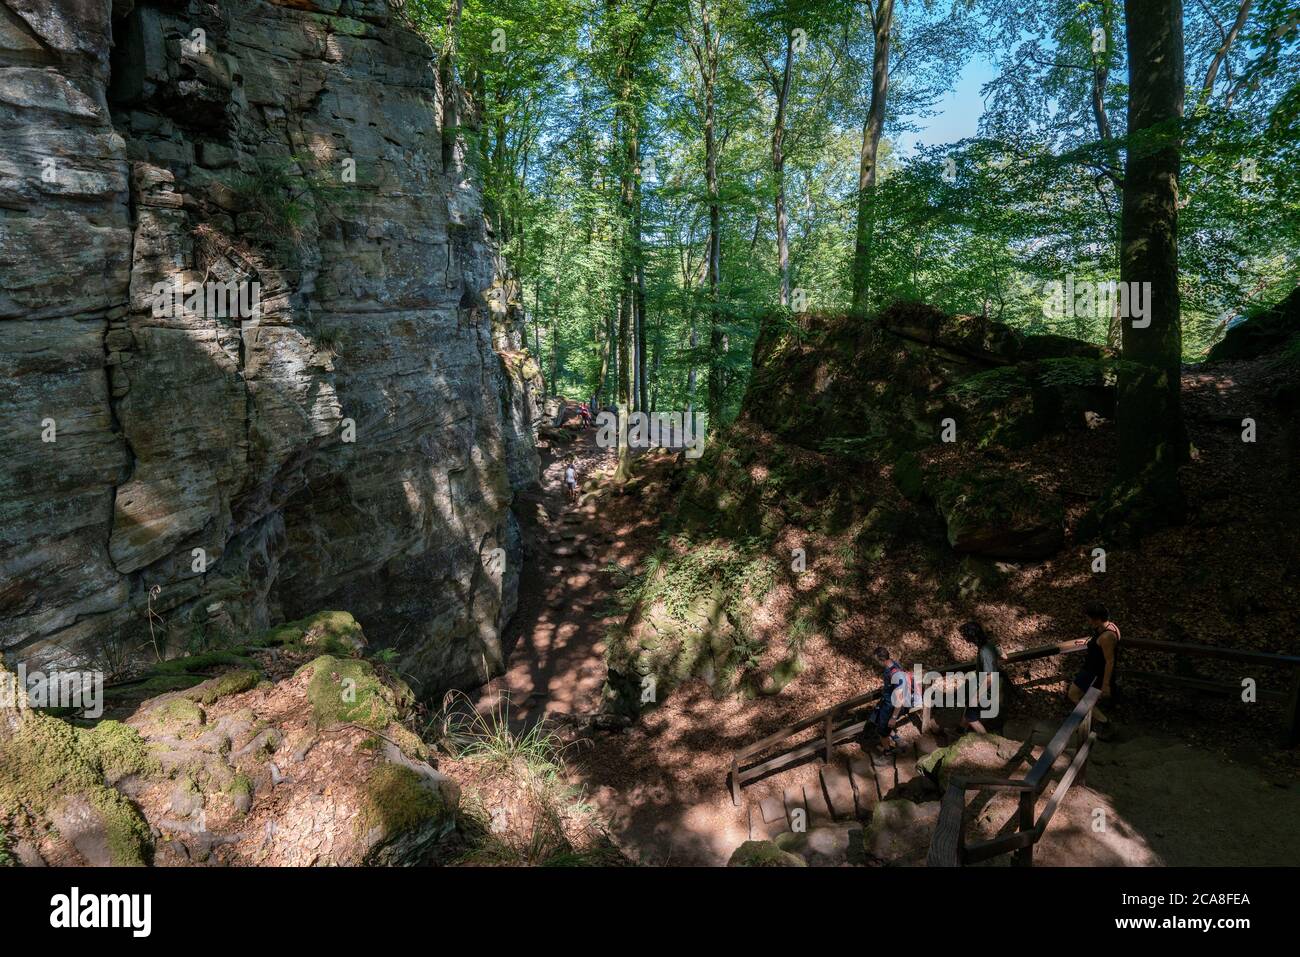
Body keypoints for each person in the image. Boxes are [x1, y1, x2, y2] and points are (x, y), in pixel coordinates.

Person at [1069, 601, 1120, 723]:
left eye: (1088, 618)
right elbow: (1098, 643)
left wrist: (1105, 684)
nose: (1087, 621)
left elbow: (1110, 661)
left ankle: (1103, 721)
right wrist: (1088, 642)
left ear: (1096, 619)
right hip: (1091, 669)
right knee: (1080, 695)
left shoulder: (1107, 637)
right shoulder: (1110, 626)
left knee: (1073, 695)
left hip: (1093, 672)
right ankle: (1098, 720)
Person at [956, 620, 1004, 734]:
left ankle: (987, 740)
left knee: (971, 718)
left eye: (965, 636)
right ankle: (959, 731)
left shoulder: (984, 652)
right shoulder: (990, 645)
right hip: (988, 687)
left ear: (972, 636)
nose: (964, 638)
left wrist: (977, 697)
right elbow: (1004, 656)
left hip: (986, 691)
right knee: (969, 710)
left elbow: (989, 678)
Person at [869, 646, 919, 754]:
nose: (875, 663)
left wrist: (894, 717)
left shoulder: (893, 674)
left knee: (882, 731)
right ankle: (897, 739)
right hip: (889, 702)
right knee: (878, 719)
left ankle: (887, 751)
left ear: (881, 660)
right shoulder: (895, 664)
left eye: (876, 660)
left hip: (891, 707)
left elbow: (900, 697)